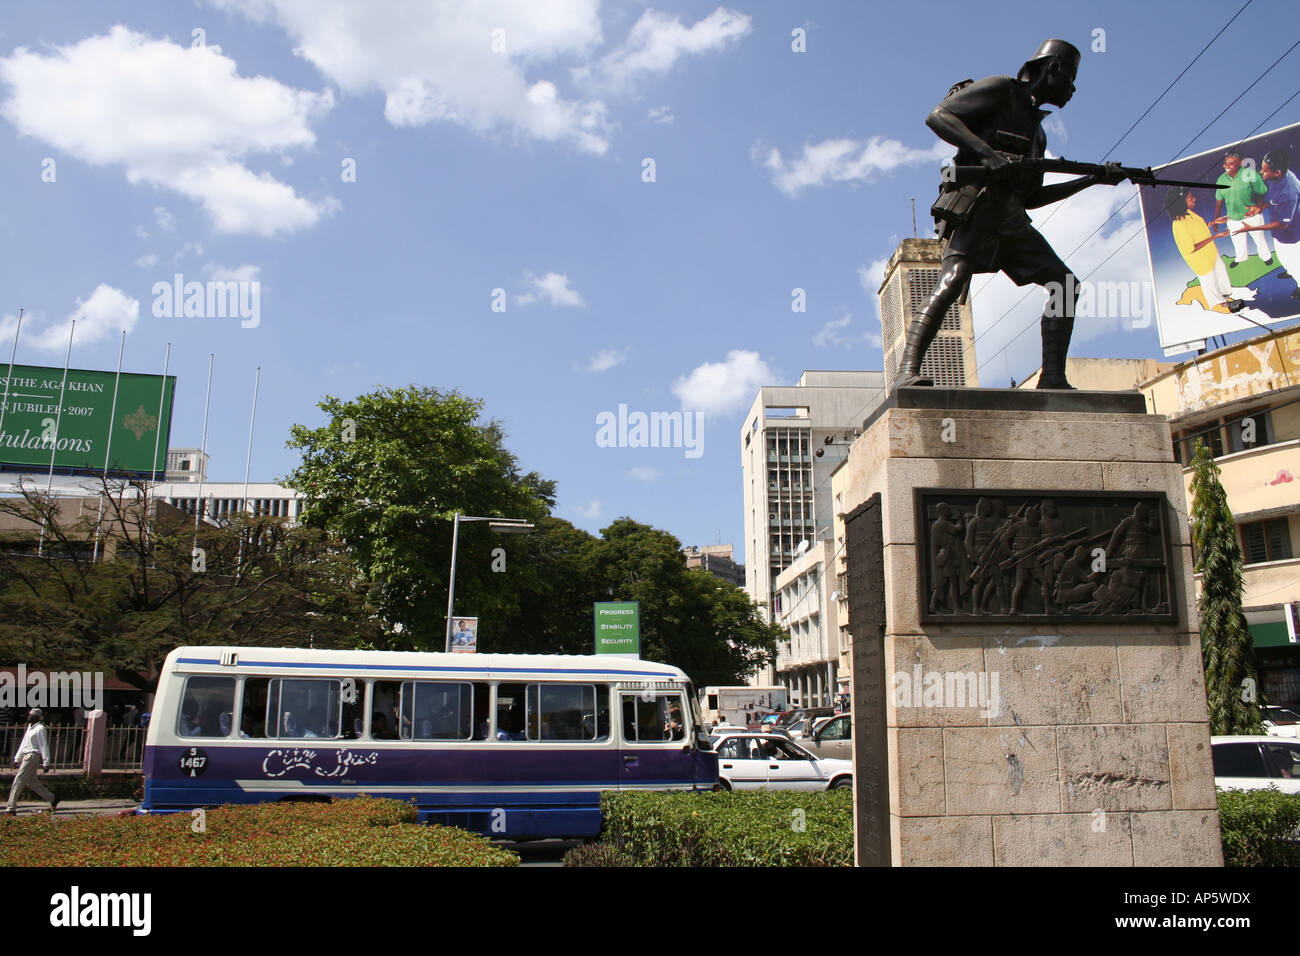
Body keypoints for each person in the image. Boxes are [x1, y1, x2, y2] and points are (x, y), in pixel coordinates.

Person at [895, 39, 1124, 391]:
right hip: (979, 208)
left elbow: (1032, 196)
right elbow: (939, 116)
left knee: (1064, 285)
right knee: (951, 281)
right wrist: (987, 154)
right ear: (1053, 69)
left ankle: (1052, 378)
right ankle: (906, 372)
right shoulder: (1003, 90)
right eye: (1072, 77)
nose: (1073, 88)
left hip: (1014, 221)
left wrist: (1091, 180)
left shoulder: (1039, 132)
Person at [1165, 186, 1243, 313]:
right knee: (1209, 280)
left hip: (1210, 252)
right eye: (1191, 198)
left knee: (1220, 271)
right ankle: (1218, 304)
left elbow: (1198, 229)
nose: (1194, 199)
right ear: (1181, 201)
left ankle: (1225, 295)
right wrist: (1215, 236)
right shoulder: (1179, 224)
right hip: (1200, 259)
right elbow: (1190, 248)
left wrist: (1212, 223)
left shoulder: (1189, 213)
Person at [1237, 149, 1300, 299]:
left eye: (1265, 170)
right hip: (1284, 232)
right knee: (1285, 258)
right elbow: (1275, 203)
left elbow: (1282, 224)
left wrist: (1253, 228)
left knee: (1292, 260)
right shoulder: (1280, 178)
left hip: (1291, 235)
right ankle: (1291, 270)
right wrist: (1260, 207)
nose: (1261, 172)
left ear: (1277, 172)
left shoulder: (1288, 192)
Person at [1215, 149, 1273, 271]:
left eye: (1231, 163)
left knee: (1259, 238)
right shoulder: (1221, 179)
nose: (1226, 166)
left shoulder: (1250, 174)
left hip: (1251, 216)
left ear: (1240, 163)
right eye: (1225, 163)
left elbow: (1260, 192)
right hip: (1233, 218)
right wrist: (1216, 219)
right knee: (1237, 242)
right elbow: (1219, 200)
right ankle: (1240, 258)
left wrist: (1259, 208)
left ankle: (1266, 256)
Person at [6, 709, 58, 816]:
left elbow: (43, 745)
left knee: (18, 780)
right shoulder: (30, 728)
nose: (28, 717)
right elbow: (23, 745)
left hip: (32, 756)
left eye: (30, 716)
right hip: (26, 755)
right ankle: (53, 798)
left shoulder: (40, 729)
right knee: (31, 782)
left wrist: (46, 762)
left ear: (36, 717)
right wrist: (17, 759)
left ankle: (11, 808)